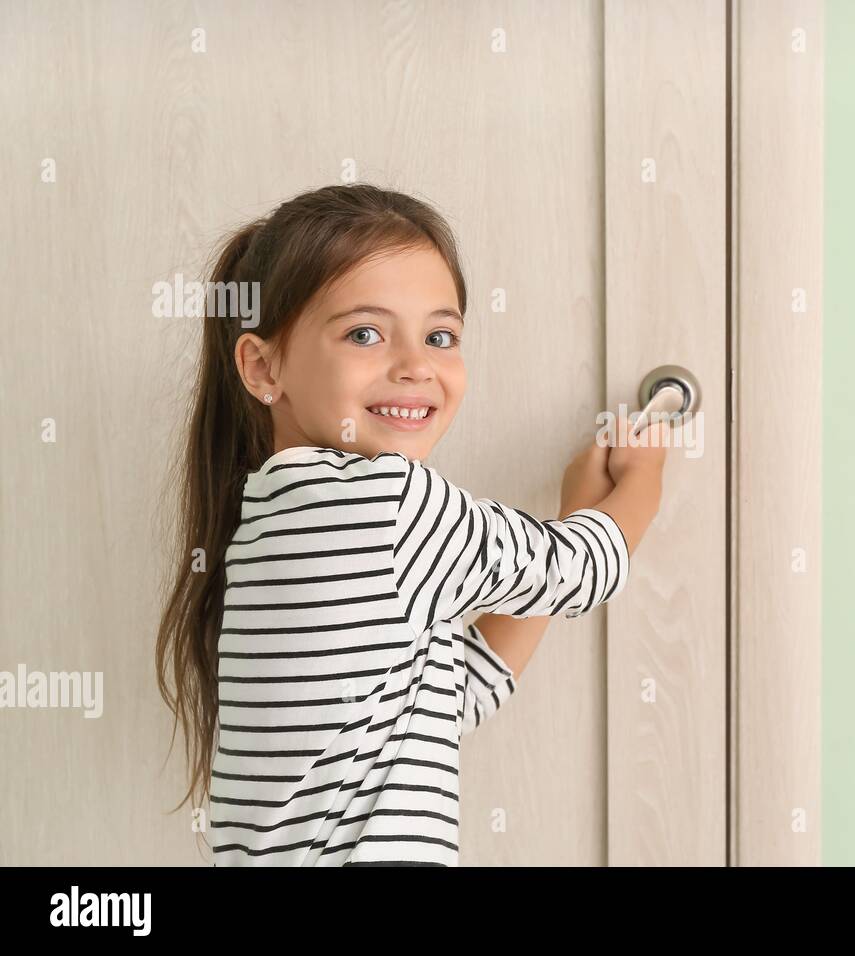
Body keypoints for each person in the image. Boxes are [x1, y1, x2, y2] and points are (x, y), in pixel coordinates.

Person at [154, 184, 667, 865]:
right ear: (262, 366)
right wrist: (641, 482)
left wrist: (568, 520)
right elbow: (579, 572)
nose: (416, 365)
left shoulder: (264, 526)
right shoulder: (391, 503)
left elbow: (442, 697)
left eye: (440, 335)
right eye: (365, 333)